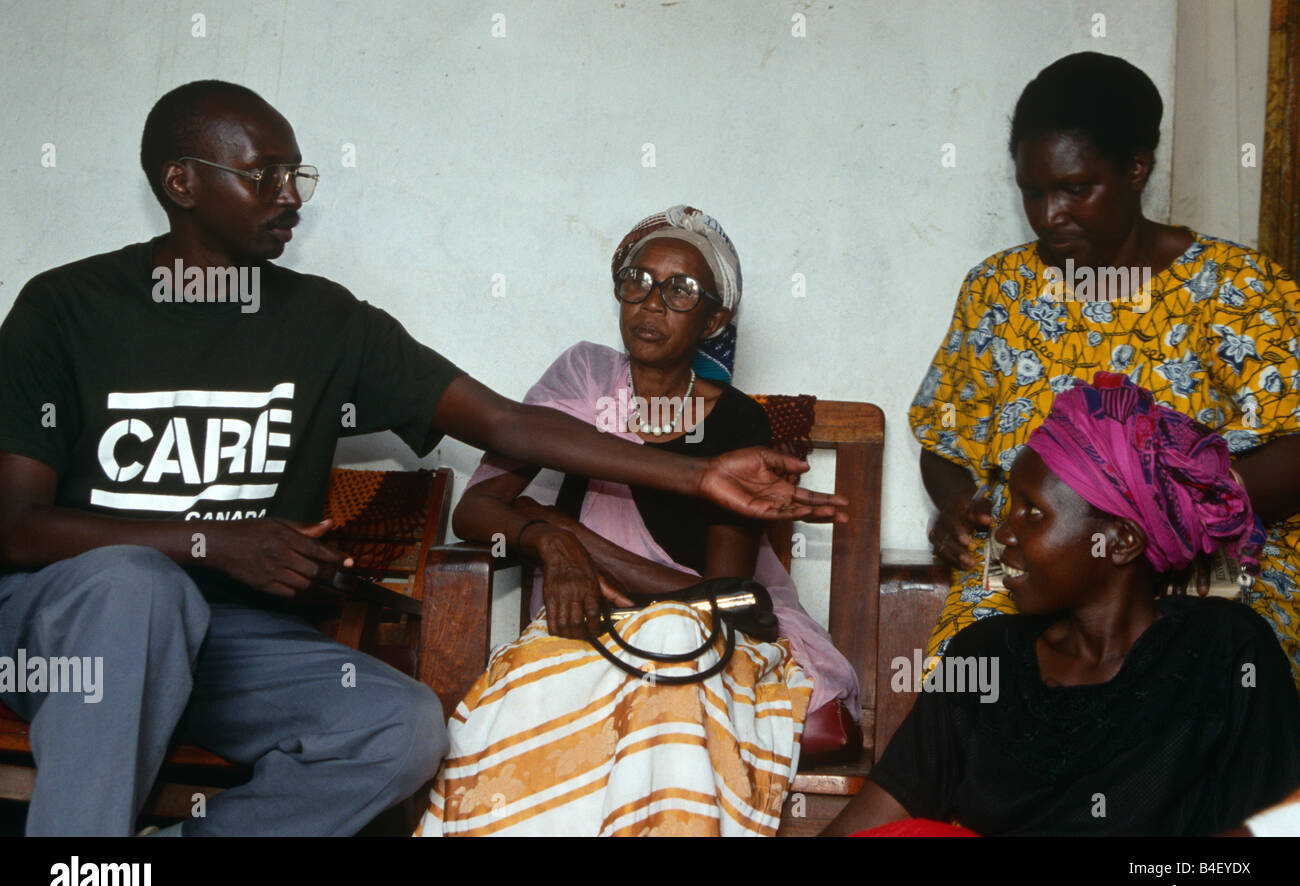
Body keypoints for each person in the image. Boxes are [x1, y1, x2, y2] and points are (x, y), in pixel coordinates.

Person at [0, 84, 845, 837]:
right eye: (265, 176)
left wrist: (698, 474)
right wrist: (209, 544)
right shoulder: (66, 311)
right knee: (138, 589)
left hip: (228, 640)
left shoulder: (325, 322)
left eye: (299, 176)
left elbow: (507, 425)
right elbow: (15, 528)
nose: (290, 198)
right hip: (78, 626)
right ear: (180, 183)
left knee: (401, 728)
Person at [416, 206, 859, 836]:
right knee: (522, 707)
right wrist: (544, 536)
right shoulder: (583, 380)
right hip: (584, 623)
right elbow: (476, 511)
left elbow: (726, 602)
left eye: (679, 290)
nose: (650, 303)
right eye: (637, 281)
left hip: (698, 637)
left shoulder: (733, 425)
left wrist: (574, 538)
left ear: (714, 319)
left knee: (671, 654)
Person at [910, 52, 1300, 683]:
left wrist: (1164, 527)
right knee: (974, 682)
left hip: (1208, 575)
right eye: (1033, 193)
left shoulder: (1236, 287)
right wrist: (959, 507)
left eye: (1074, 189)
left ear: (1136, 167)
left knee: (1200, 683)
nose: (1049, 216)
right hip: (1035, 575)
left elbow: (1295, 449)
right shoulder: (999, 291)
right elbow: (946, 443)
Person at [824, 374, 1300, 836]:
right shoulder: (984, 657)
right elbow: (872, 821)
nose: (1006, 533)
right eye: (1010, 508)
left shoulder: (1225, 655)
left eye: (1033, 512)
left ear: (1120, 542)